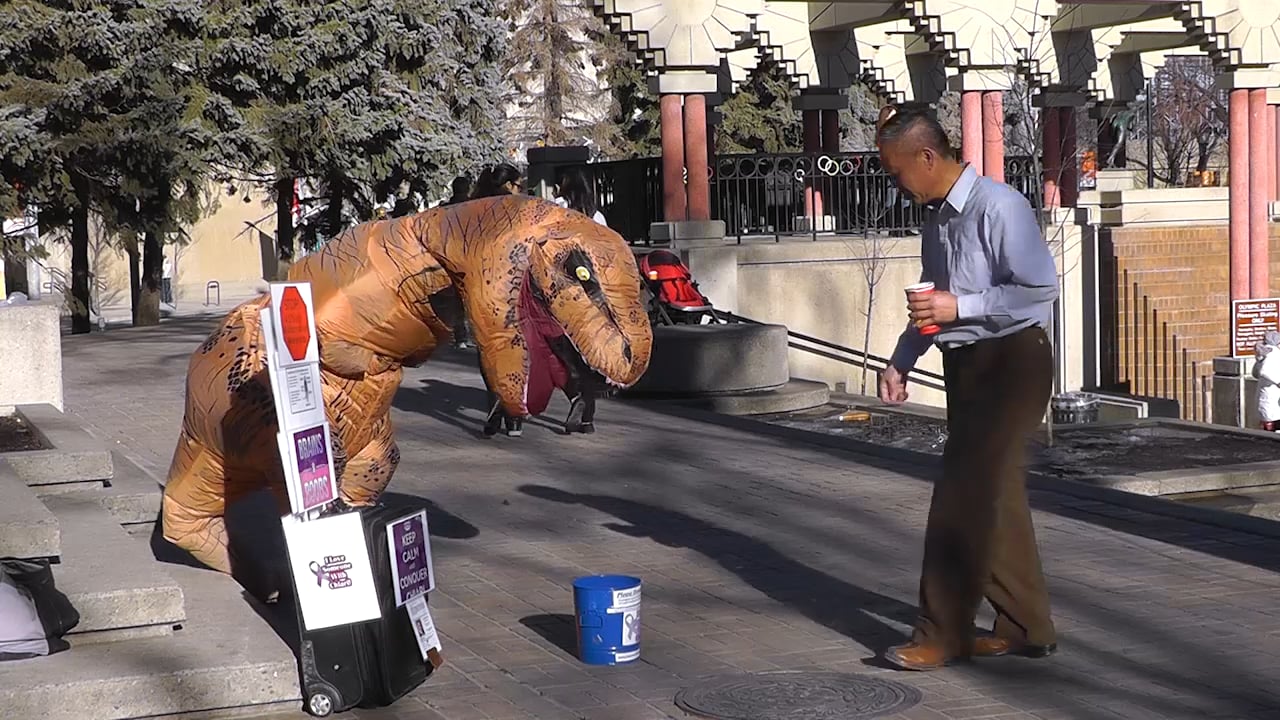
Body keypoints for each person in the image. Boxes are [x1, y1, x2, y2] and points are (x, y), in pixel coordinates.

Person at [874, 102, 1061, 671]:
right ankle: (1026, 625)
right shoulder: (937, 219)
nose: (896, 183)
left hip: (1013, 362)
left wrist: (961, 306)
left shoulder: (1000, 206)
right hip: (966, 367)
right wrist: (902, 360)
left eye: (897, 171)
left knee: (962, 495)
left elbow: (1039, 289)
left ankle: (943, 631)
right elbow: (931, 302)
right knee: (994, 494)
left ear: (927, 157)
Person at [468, 164, 527, 438]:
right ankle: (513, 415)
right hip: (513, 285)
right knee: (514, 347)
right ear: (511, 185)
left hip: (480, 285)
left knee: (487, 348)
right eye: (519, 184)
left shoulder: (475, 208)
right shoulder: (515, 209)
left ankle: (495, 407)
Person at [552, 167, 605, 433]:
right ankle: (587, 417)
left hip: (562, 289)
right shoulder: (596, 216)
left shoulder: (557, 210)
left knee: (559, 348)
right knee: (585, 352)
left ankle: (577, 397)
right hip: (592, 291)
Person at [1254, 330, 1280, 431]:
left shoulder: (1265, 353)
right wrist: (1278, 381)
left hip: (1267, 394)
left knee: (1269, 422)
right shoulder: (1273, 353)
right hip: (1271, 394)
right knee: (1272, 424)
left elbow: (1255, 373)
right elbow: (1263, 371)